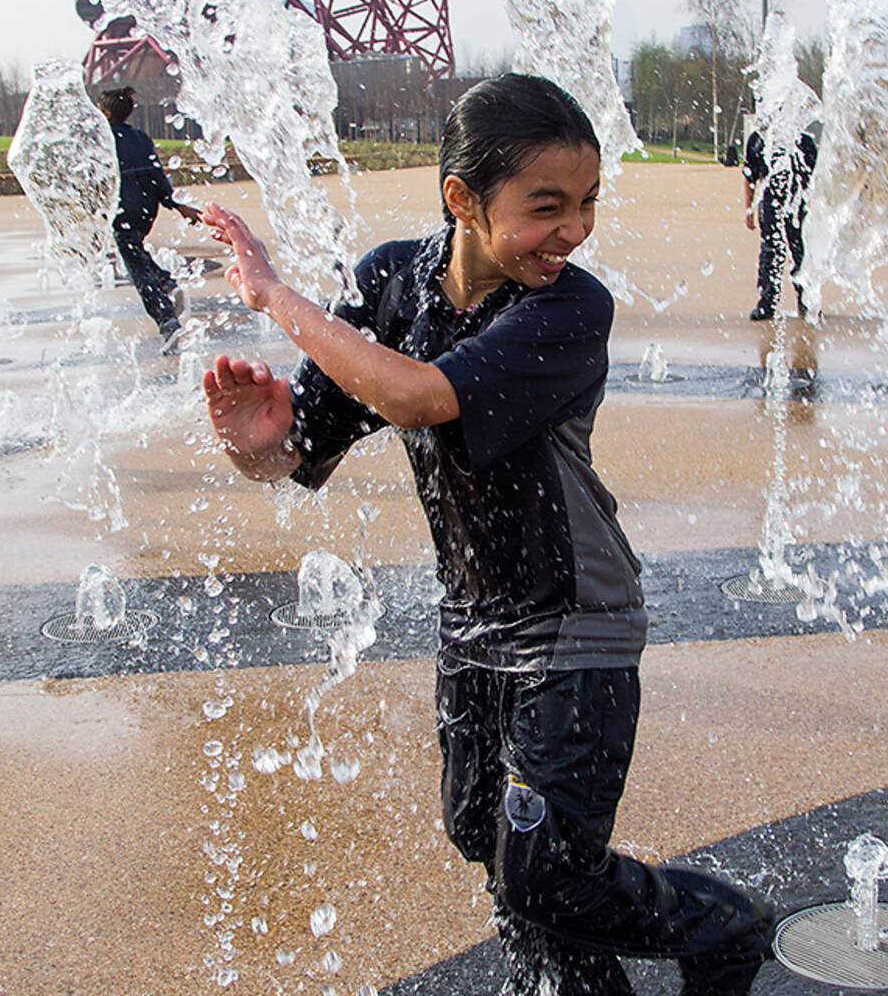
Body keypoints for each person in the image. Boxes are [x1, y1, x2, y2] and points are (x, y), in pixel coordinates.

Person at [202, 74, 775, 996]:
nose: (575, 230)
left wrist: (276, 298)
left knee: (543, 868)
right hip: (473, 620)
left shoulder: (568, 310)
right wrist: (255, 441)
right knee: (486, 837)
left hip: (574, 623)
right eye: (547, 207)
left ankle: (722, 925)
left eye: (587, 202)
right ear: (462, 200)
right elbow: (299, 449)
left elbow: (418, 397)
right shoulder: (393, 284)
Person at [97, 86, 203, 354]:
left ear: (105, 112)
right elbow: (157, 175)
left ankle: (167, 320)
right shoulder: (141, 138)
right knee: (135, 252)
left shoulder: (103, 139)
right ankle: (166, 282)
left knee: (137, 270)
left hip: (121, 209)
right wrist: (176, 205)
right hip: (146, 208)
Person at [742, 124, 816, 320]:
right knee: (770, 252)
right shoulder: (759, 139)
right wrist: (749, 210)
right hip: (770, 205)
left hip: (798, 205)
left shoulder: (803, 139)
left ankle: (806, 300)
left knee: (800, 253)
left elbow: (816, 178)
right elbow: (750, 177)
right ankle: (767, 302)